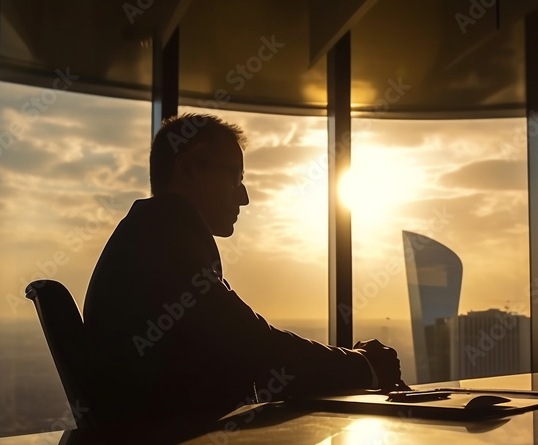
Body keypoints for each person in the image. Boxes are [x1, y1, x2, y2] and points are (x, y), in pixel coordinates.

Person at [84, 113, 406, 421]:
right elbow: (259, 350)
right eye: (235, 177)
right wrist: (365, 365)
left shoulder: (150, 237)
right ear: (188, 170)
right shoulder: (163, 247)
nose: (245, 197)